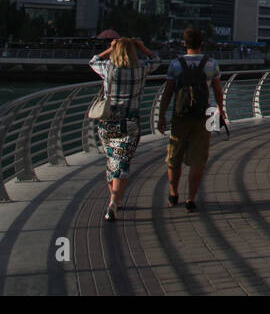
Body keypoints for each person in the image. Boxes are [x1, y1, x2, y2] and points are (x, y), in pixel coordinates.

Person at [156, 27, 225, 212]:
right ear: (201, 43)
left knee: (174, 156)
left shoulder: (175, 64)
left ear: (184, 43)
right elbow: (218, 91)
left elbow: (168, 92)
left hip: (180, 115)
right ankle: (191, 198)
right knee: (198, 159)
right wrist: (221, 110)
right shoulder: (211, 64)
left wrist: (162, 115)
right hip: (205, 115)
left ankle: (173, 193)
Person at [89, 36, 157, 221]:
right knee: (123, 162)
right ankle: (114, 201)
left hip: (107, 122)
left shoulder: (107, 68)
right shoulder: (141, 69)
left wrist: (109, 49)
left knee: (112, 160)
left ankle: (115, 199)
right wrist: (142, 46)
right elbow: (156, 60)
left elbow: (93, 61)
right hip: (130, 122)